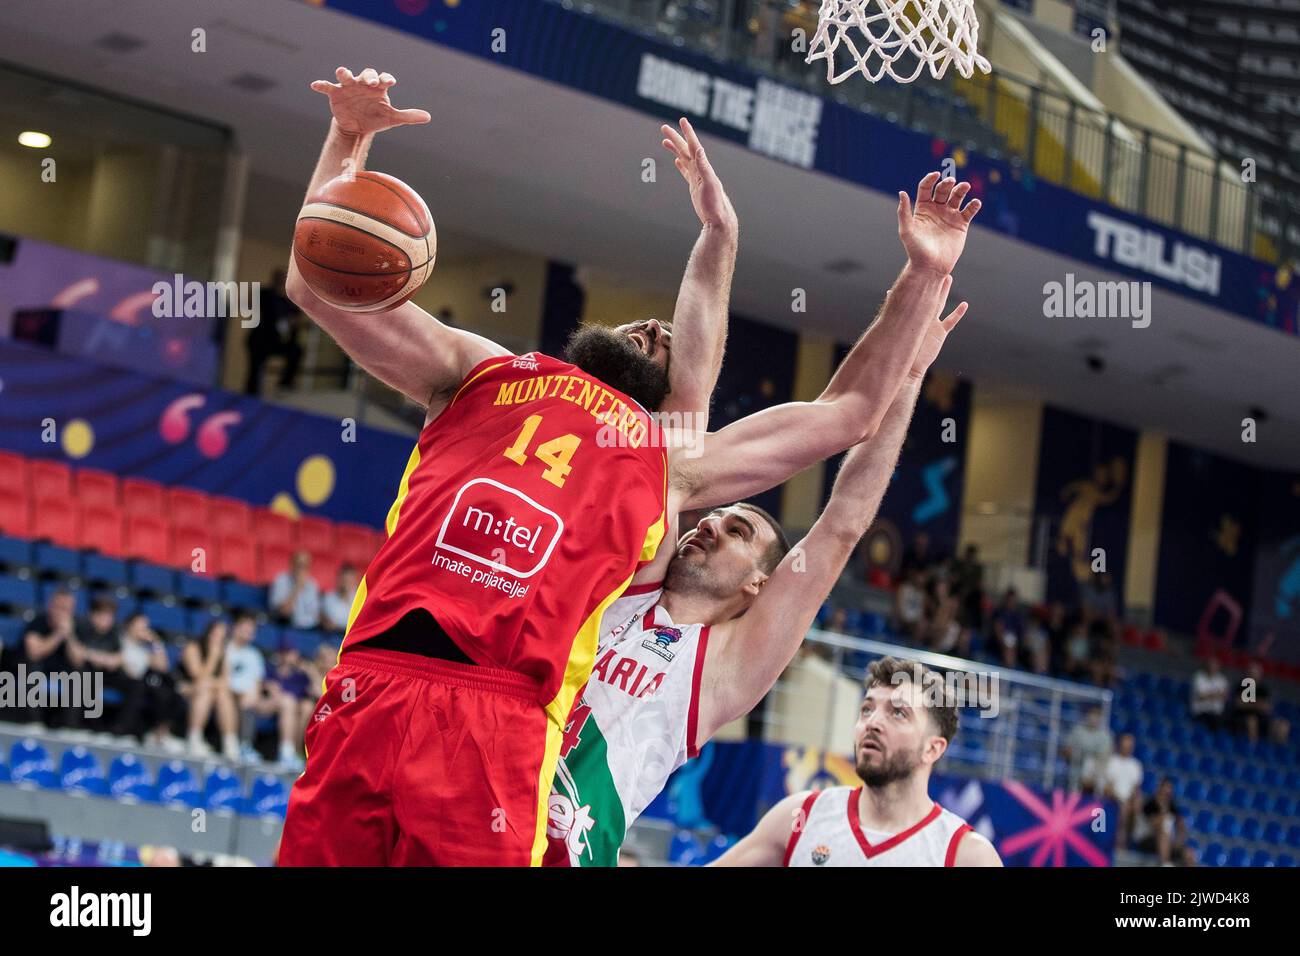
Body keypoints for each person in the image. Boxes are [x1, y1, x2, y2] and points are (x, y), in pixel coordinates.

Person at [280, 67, 979, 866]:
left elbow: (844, 414)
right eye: (643, 324)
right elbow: (316, 282)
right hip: (370, 680)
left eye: (666, 339)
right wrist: (348, 140)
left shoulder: (665, 459)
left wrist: (914, 274)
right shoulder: (482, 370)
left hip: (501, 718)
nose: (652, 328)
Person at [546, 312, 968, 865]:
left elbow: (843, 523)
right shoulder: (631, 583)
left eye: (737, 531)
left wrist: (909, 375)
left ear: (758, 584)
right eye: (712, 518)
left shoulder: (726, 663)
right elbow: (677, 433)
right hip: (483, 788)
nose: (710, 525)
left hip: (563, 848)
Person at [714, 657, 1001, 866]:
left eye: (898, 713)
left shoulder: (965, 854)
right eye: (866, 709)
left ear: (932, 749)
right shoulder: (800, 815)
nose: (872, 722)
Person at [117, 613, 186, 752]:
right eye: (140, 625)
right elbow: (128, 670)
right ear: (130, 626)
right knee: (143, 689)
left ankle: (159, 735)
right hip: (121, 679)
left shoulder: (145, 647)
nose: (144, 629)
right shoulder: (120, 641)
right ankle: (124, 732)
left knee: (172, 694)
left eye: (146, 626)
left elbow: (163, 666)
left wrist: (156, 642)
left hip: (143, 683)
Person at [19, 589, 80, 729]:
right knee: (32, 669)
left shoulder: (74, 627)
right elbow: (34, 653)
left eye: (67, 609)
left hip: (58, 671)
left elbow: (78, 660)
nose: (62, 613)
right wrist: (59, 634)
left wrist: (70, 636)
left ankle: (70, 726)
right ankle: (33, 721)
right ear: (51, 606)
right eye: (60, 607)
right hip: (32, 667)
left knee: (80, 673)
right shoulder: (38, 622)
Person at [180, 620, 238, 760]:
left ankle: (230, 743)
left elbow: (226, 683)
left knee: (223, 695)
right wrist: (212, 656)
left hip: (210, 692)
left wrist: (212, 683)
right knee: (205, 690)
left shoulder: (222, 654)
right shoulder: (193, 647)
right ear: (208, 633)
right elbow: (198, 677)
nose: (218, 639)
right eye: (216, 634)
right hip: (186, 689)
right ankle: (194, 738)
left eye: (222, 636)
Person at [244, 268, 305, 395]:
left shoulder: (287, 302)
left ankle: (285, 384)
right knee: (255, 367)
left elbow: (296, 319)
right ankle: (251, 393)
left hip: (276, 340)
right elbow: (249, 304)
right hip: (260, 339)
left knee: (296, 351)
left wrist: (293, 322)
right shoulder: (264, 294)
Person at [225, 613, 268, 764]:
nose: (248, 633)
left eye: (251, 631)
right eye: (245, 629)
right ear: (235, 628)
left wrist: (255, 696)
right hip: (229, 692)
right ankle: (241, 745)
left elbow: (258, 682)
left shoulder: (255, 655)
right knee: (243, 700)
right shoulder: (225, 649)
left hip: (250, 697)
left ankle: (286, 751)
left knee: (286, 702)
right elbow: (223, 678)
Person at [1132, 777, 1196, 866]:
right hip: (1147, 840)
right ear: (1160, 789)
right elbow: (1153, 825)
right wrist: (1162, 810)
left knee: (1189, 853)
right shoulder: (1150, 804)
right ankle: (1165, 864)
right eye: (1165, 789)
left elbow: (1181, 825)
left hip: (1168, 842)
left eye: (1169, 790)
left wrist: (1179, 840)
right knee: (1163, 833)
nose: (1166, 793)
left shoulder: (1172, 806)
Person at [1101, 732, 1143, 849]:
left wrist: (1135, 803)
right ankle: (1119, 845)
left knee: (1134, 806)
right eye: (1125, 744)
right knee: (1122, 808)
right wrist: (1120, 800)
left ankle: (1128, 843)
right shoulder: (1111, 761)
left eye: (1130, 745)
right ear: (1120, 744)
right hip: (1111, 799)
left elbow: (1136, 789)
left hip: (1127, 802)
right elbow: (1107, 787)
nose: (1127, 747)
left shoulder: (1136, 765)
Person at [1062, 705, 1112, 795]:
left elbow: (1104, 756)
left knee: (1096, 769)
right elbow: (1066, 750)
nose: (1094, 719)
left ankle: (1096, 797)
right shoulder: (1077, 731)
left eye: (1097, 716)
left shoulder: (1105, 735)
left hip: (1096, 769)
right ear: (1087, 716)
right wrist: (1072, 753)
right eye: (1092, 715)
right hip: (1076, 766)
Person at [269, 551, 322, 630]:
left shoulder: (312, 584)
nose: (302, 570)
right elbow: (284, 612)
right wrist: (297, 587)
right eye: (299, 565)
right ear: (291, 565)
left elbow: (315, 614)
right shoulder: (281, 580)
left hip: (310, 629)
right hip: (287, 626)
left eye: (305, 566)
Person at [1190, 655, 1228, 732]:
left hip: (1217, 713)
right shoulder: (1199, 677)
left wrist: (1208, 695)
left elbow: (1224, 696)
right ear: (1206, 665)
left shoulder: (1222, 679)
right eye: (1210, 664)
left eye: (1215, 665)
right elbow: (1201, 696)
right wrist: (1217, 695)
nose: (1212, 667)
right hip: (1201, 712)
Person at [320, 563, 359, 632]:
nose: (346, 584)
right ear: (338, 579)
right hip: (333, 635)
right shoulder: (328, 599)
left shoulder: (360, 601)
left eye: (349, 581)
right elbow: (328, 624)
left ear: (354, 581)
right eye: (344, 580)